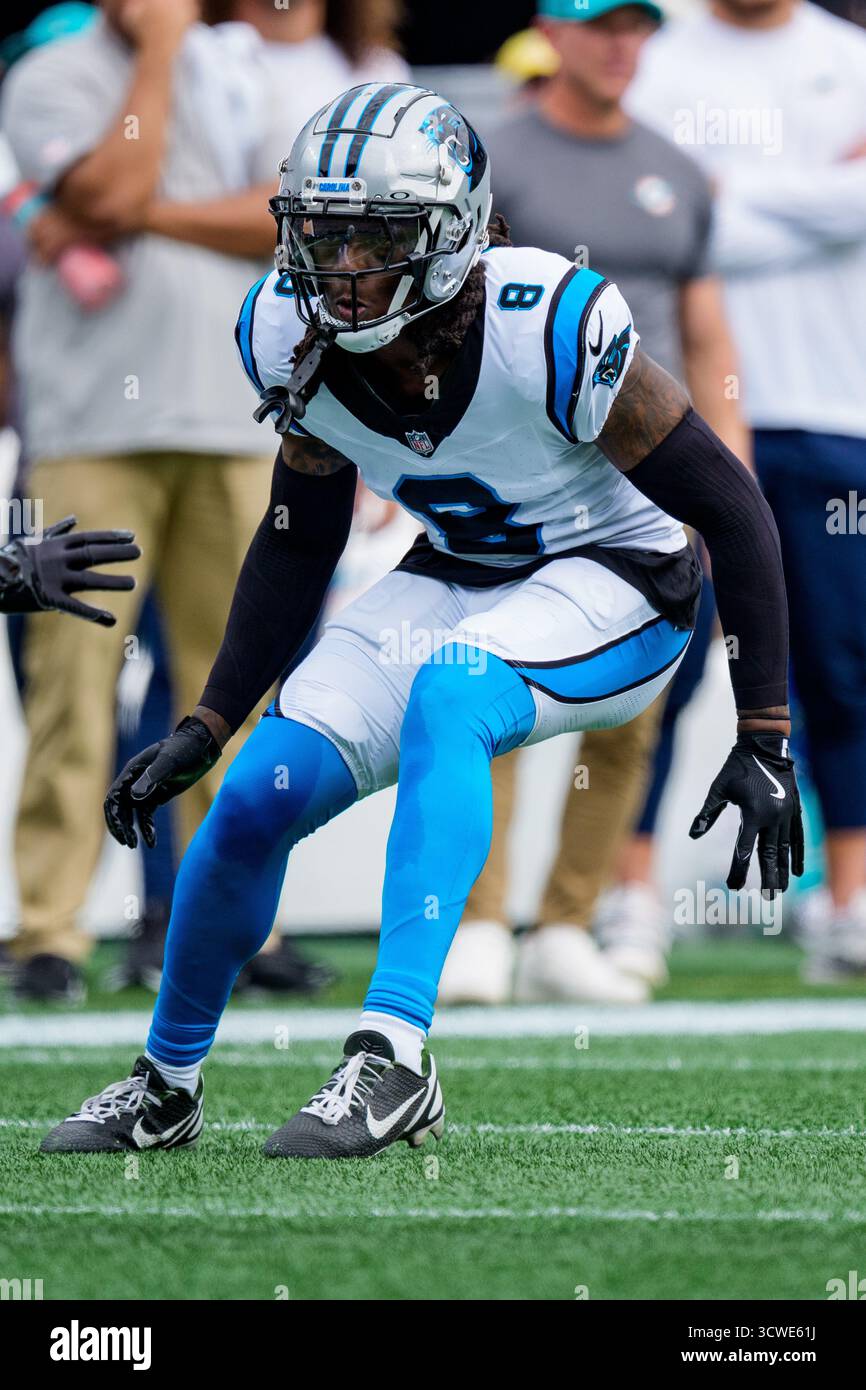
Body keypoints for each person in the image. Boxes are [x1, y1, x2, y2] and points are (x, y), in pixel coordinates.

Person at [41, 84, 801, 1161]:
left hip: (620, 578)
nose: (339, 268)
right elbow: (298, 536)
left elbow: (728, 507)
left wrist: (760, 731)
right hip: (457, 573)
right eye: (321, 232)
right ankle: (165, 1084)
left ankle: (393, 1054)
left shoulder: (548, 321)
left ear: (448, 237)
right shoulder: (282, 329)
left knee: (453, 687)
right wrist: (210, 720)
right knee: (255, 791)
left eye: (372, 237)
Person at [445, 0, 748, 1005]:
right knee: (490, 693)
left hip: (650, 479)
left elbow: (702, 333)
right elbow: (444, 312)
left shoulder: (672, 165)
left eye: (635, 27)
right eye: (599, 26)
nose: (620, 45)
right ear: (554, 33)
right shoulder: (496, 158)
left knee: (629, 706)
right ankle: (480, 921)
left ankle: (566, 922)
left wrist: (727, 477)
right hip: (520, 470)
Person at [0, 0, 291, 1002]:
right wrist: (163, 49)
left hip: (236, 423)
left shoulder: (243, 64)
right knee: (72, 689)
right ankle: (49, 931)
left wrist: (137, 216)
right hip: (92, 434)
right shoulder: (48, 73)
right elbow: (112, 178)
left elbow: (283, 220)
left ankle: (234, 926)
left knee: (234, 692)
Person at [628, 0, 866, 979]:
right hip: (668, 414)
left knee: (839, 670)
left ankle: (849, 907)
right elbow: (643, 218)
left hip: (831, 410)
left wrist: (720, 197)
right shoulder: (652, 57)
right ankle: (622, 901)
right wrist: (815, 199)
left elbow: (693, 220)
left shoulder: (847, 57)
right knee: (654, 668)